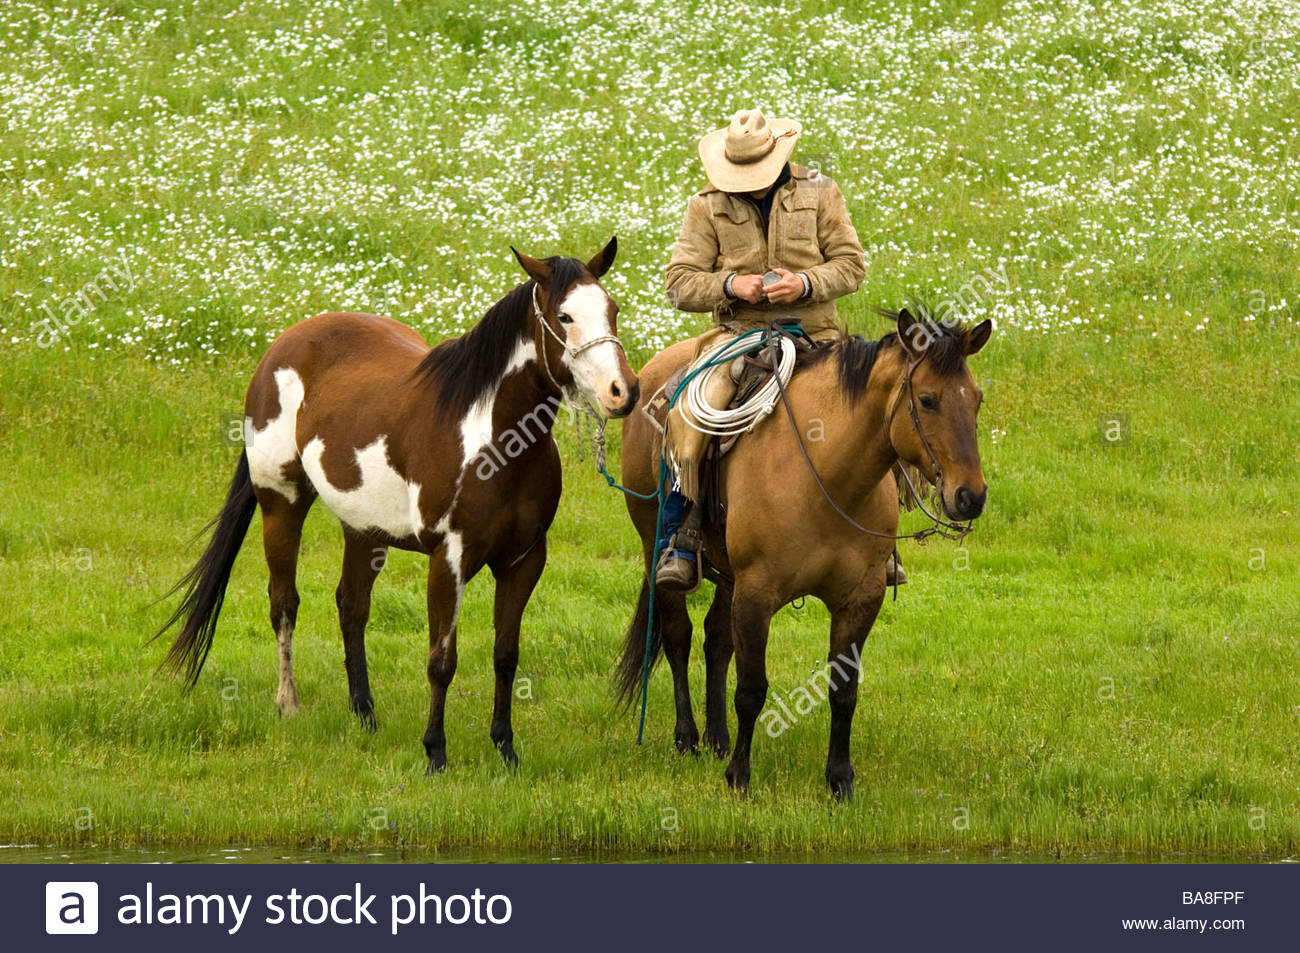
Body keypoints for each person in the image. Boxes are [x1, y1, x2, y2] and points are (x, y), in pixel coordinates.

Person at [654, 108, 878, 592]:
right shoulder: (706, 205)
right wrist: (732, 286)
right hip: (740, 338)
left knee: (878, 403)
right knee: (690, 410)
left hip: (817, 336)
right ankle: (681, 537)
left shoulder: (821, 191)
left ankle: (882, 540)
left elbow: (852, 266)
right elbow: (678, 285)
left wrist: (804, 283)